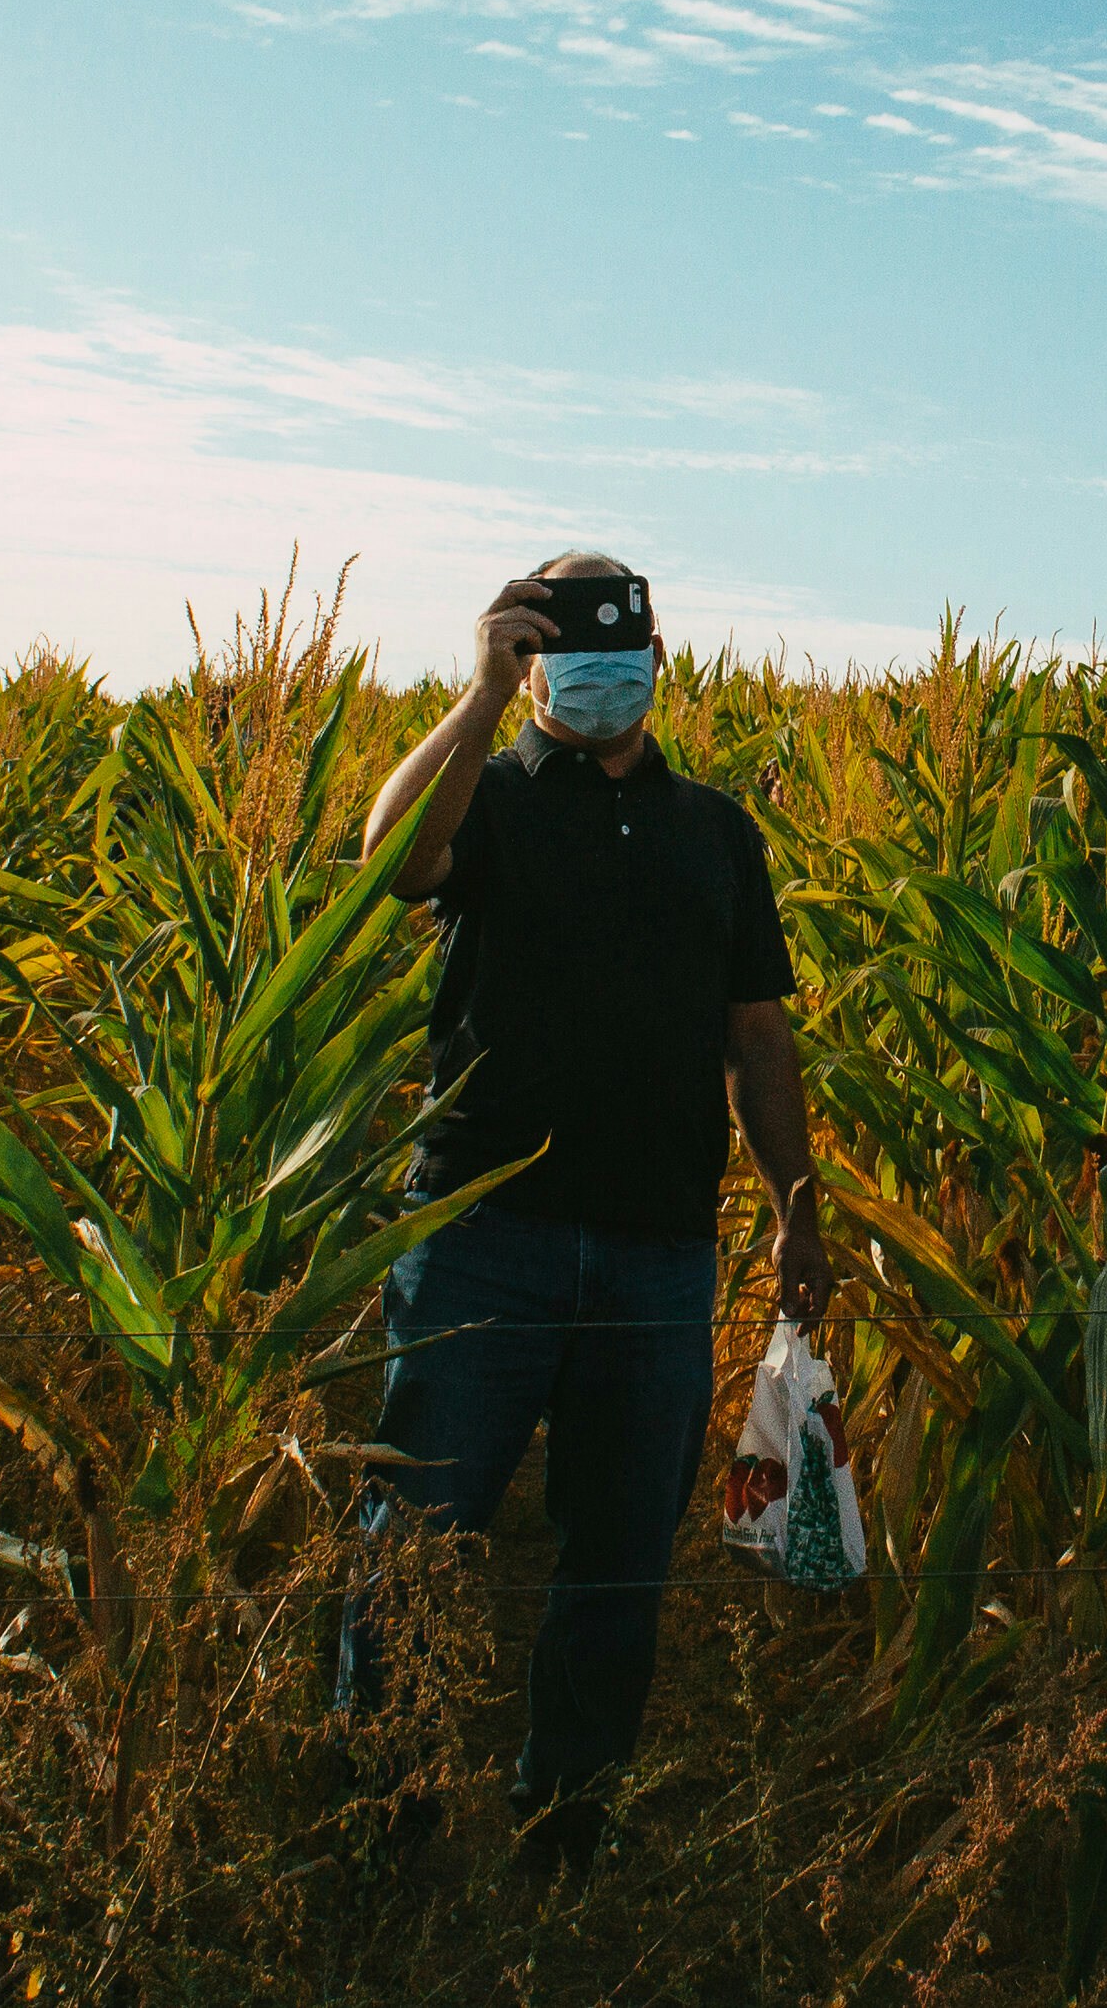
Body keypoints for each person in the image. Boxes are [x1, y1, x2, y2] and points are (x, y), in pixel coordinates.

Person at [334, 551, 832, 1883]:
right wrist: (479, 699)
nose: (609, 679)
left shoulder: (716, 830)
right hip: (483, 1240)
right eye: (573, 656)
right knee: (418, 1547)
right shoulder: (486, 797)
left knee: (617, 1565)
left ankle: (566, 1836)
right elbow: (391, 861)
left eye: (629, 653)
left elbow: (758, 1032)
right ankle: (384, 1827)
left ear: (658, 659)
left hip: (660, 1255)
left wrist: (796, 1203)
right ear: (536, 666)